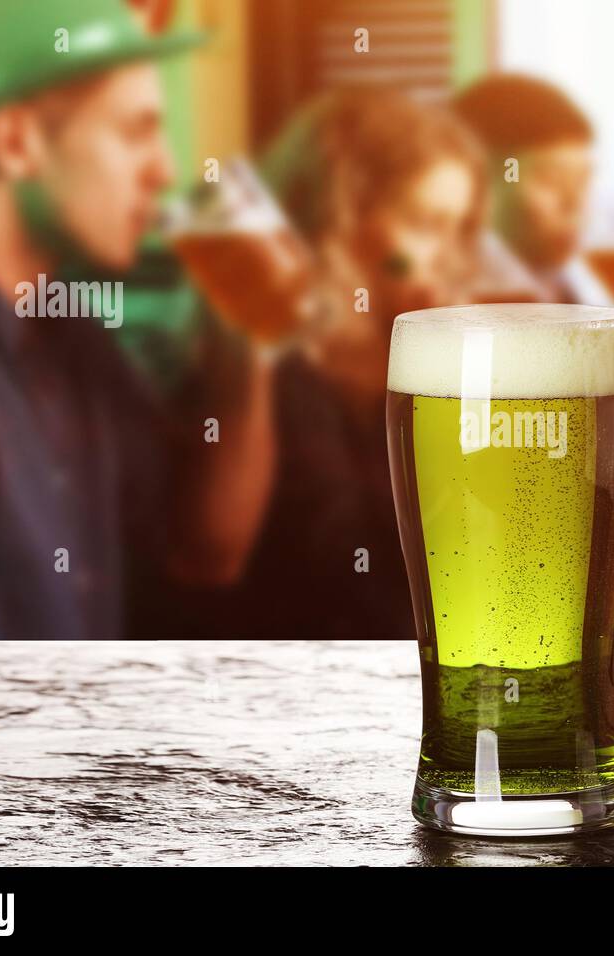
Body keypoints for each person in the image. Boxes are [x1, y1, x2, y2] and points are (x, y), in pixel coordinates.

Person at [0, 0, 279, 639]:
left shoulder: (65, 328)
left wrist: (252, 344)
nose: (166, 172)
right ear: (16, 142)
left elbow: (201, 556)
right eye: (136, 132)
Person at [159, 87, 488, 638]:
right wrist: (254, 344)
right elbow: (211, 558)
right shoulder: (254, 344)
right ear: (338, 212)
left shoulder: (414, 348)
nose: (443, 255)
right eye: (423, 222)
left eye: (455, 229)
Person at [452, 74, 608, 306]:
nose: (575, 203)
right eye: (552, 179)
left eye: (583, 180)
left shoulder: (572, 283)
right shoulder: (460, 302)